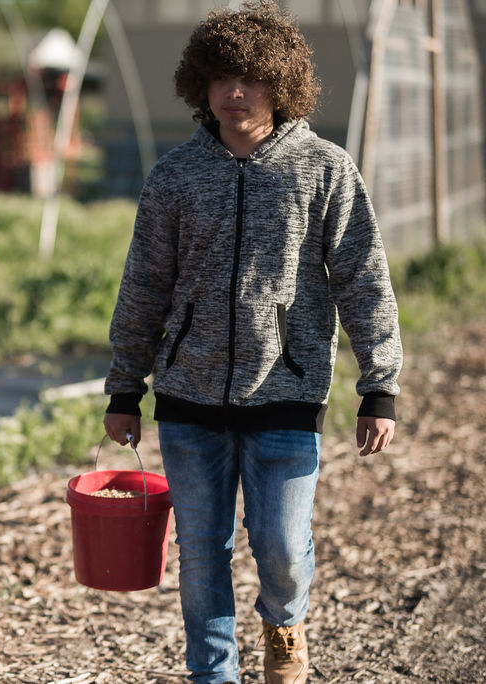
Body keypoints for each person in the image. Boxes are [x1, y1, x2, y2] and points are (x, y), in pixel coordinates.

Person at [102, 2, 402, 683]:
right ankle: (213, 674)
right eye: (220, 78)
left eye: (251, 79)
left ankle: (285, 626)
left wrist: (379, 385)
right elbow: (144, 285)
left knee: (283, 549)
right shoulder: (176, 175)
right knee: (201, 554)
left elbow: (363, 278)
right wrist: (125, 388)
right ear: (199, 84)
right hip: (188, 398)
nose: (233, 92)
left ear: (281, 84)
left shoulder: (324, 169)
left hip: (287, 393)